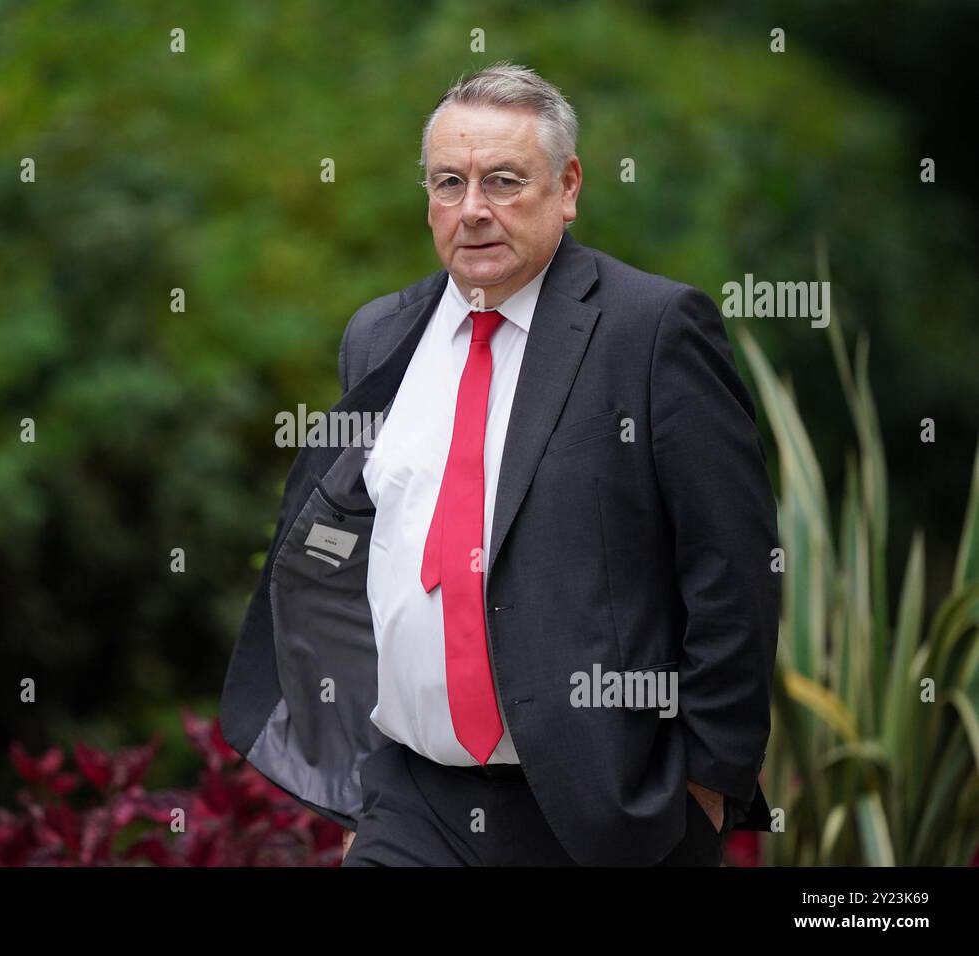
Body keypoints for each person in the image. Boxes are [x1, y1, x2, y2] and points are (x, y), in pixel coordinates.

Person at [219, 61, 779, 866]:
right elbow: (352, 552)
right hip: (413, 801)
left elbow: (732, 569)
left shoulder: (651, 332)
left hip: (603, 811)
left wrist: (706, 788)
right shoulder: (378, 338)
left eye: (504, 181)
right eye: (449, 183)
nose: (473, 209)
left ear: (569, 186)